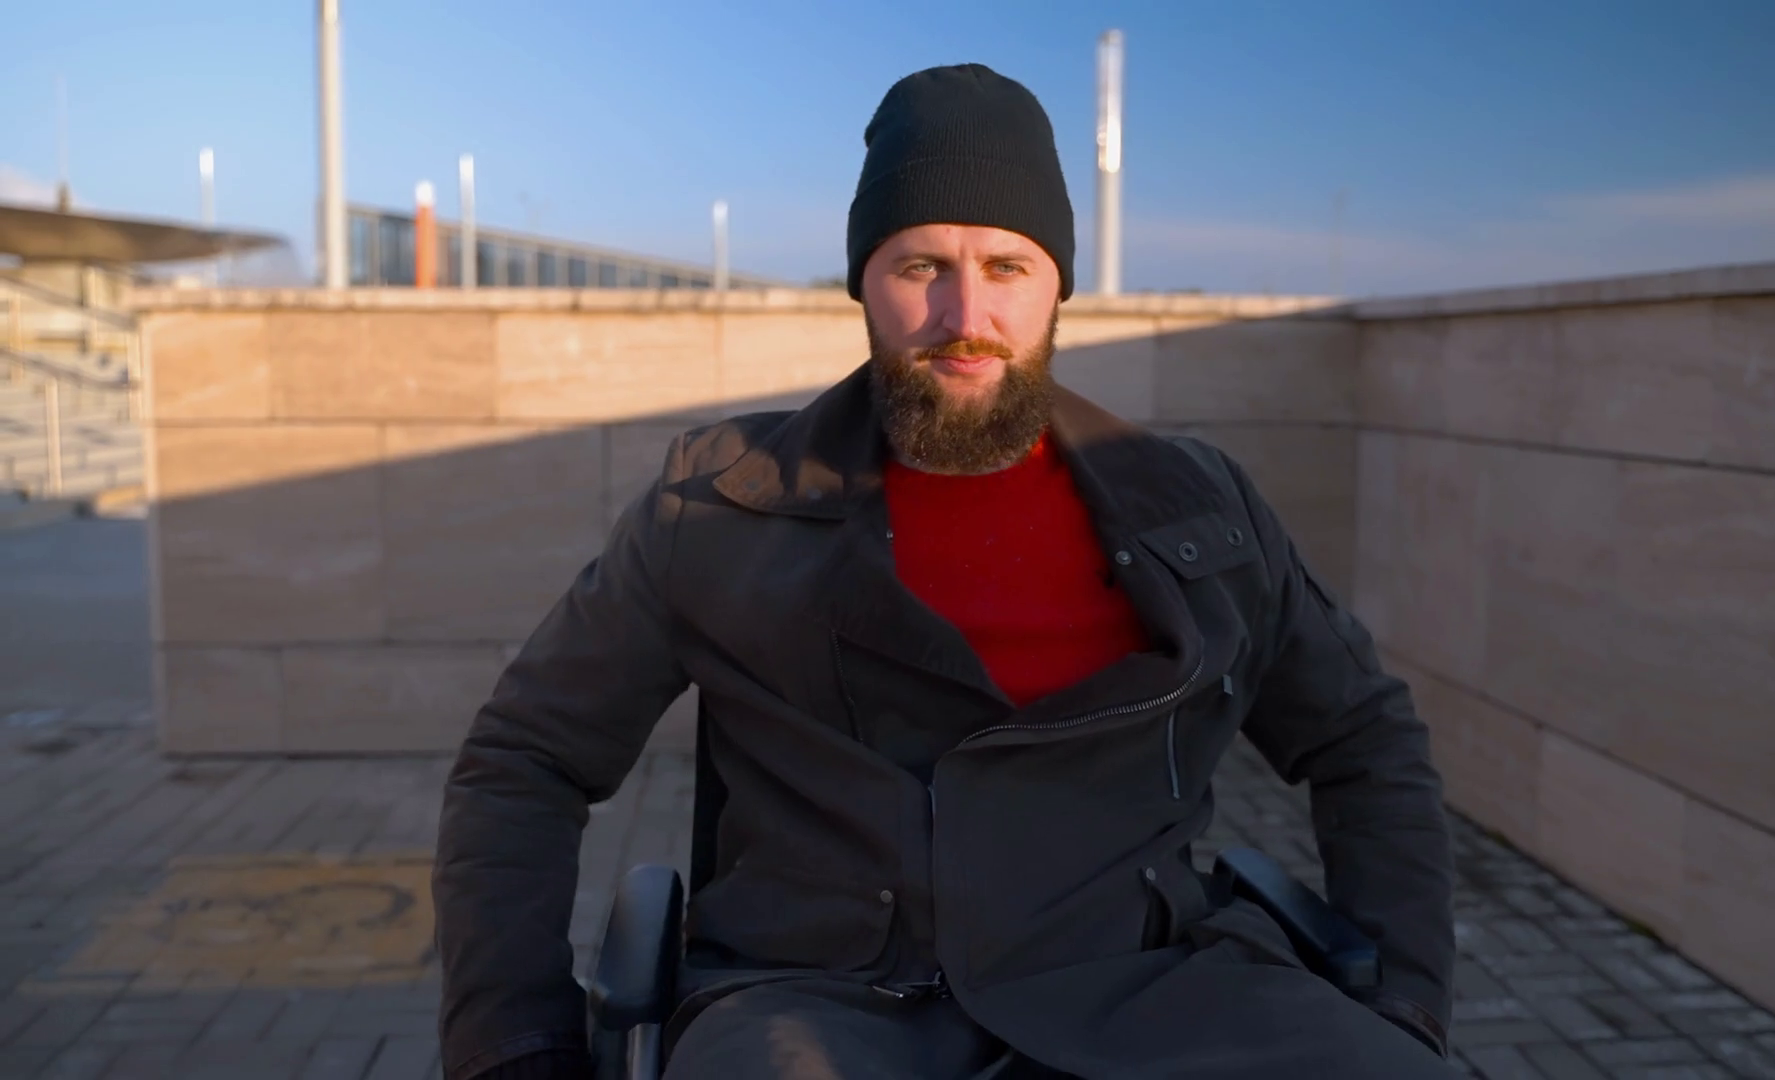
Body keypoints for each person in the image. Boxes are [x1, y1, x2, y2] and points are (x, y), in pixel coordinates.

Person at [433, 63, 1455, 1080]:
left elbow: (1363, 737)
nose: (966, 315)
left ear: (1059, 283)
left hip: (1153, 998)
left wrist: (1405, 997)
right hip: (818, 1012)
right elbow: (525, 759)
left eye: (1007, 267)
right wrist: (514, 1040)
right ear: (864, 285)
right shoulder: (721, 504)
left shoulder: (1201, 506)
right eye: (922, 266)